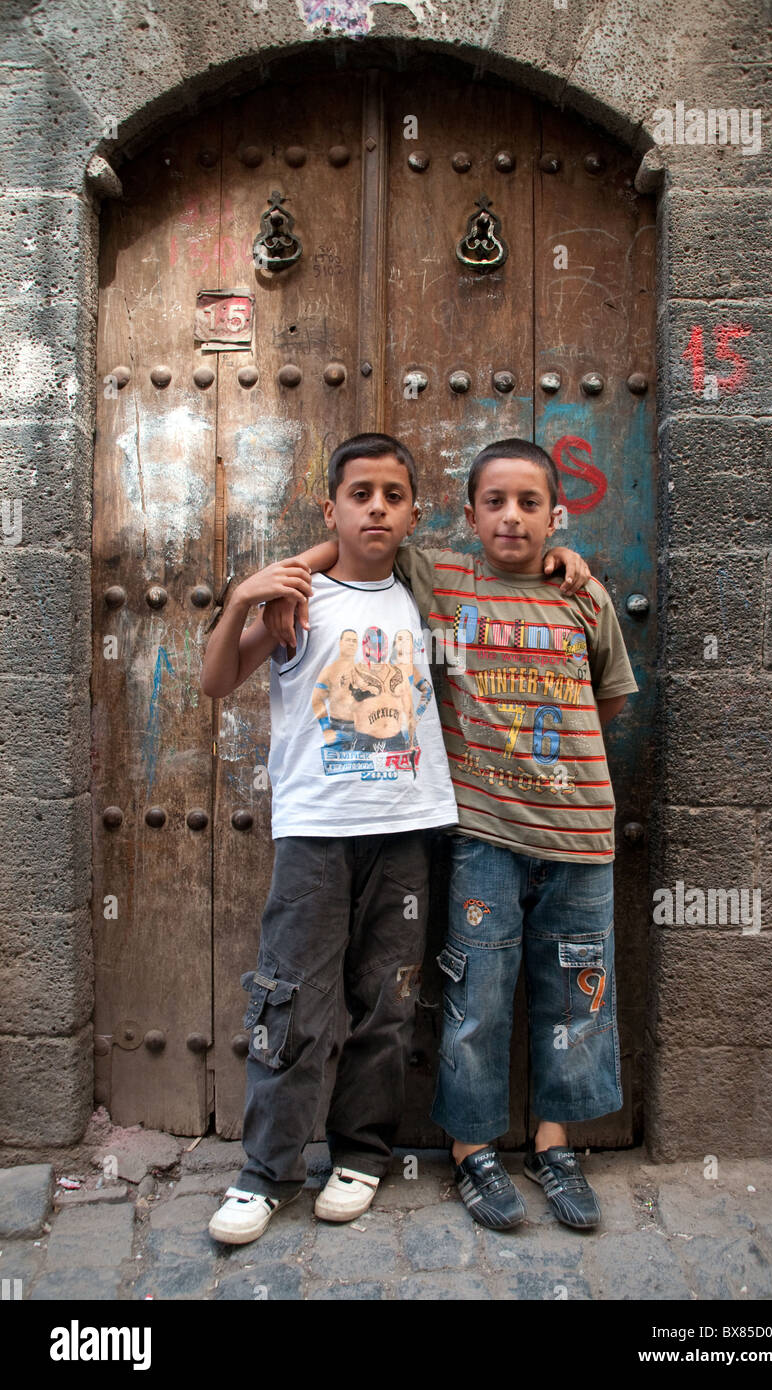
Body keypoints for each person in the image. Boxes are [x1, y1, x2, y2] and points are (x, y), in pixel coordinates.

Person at [273, 438, 636, 1234]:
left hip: (580, 837)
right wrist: (282, 576)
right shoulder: (439, 577)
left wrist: (572, 566)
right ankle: (473, 1150)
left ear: (555, 515)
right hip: (481, 833)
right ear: (466, 515)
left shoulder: (583, 597)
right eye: (495, 503)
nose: (511, 518)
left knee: (576, 997)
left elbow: (606, 699)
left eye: (530, 504)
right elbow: (360, 541)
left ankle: (553, 1144)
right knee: (475, 997)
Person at [199, 433, 458, 1244]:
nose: (375, 507)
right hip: (314, 834)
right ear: (331, 507)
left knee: (388, 1000)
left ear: (414, 511)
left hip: (407, 830)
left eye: (391, 494)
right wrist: (246, 595)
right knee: (291, 1000)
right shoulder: (294, 600)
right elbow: (213, 682)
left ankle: (361, 1154)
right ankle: (265, 1171)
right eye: (358, 494)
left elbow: (506, 569)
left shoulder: (425, 588)